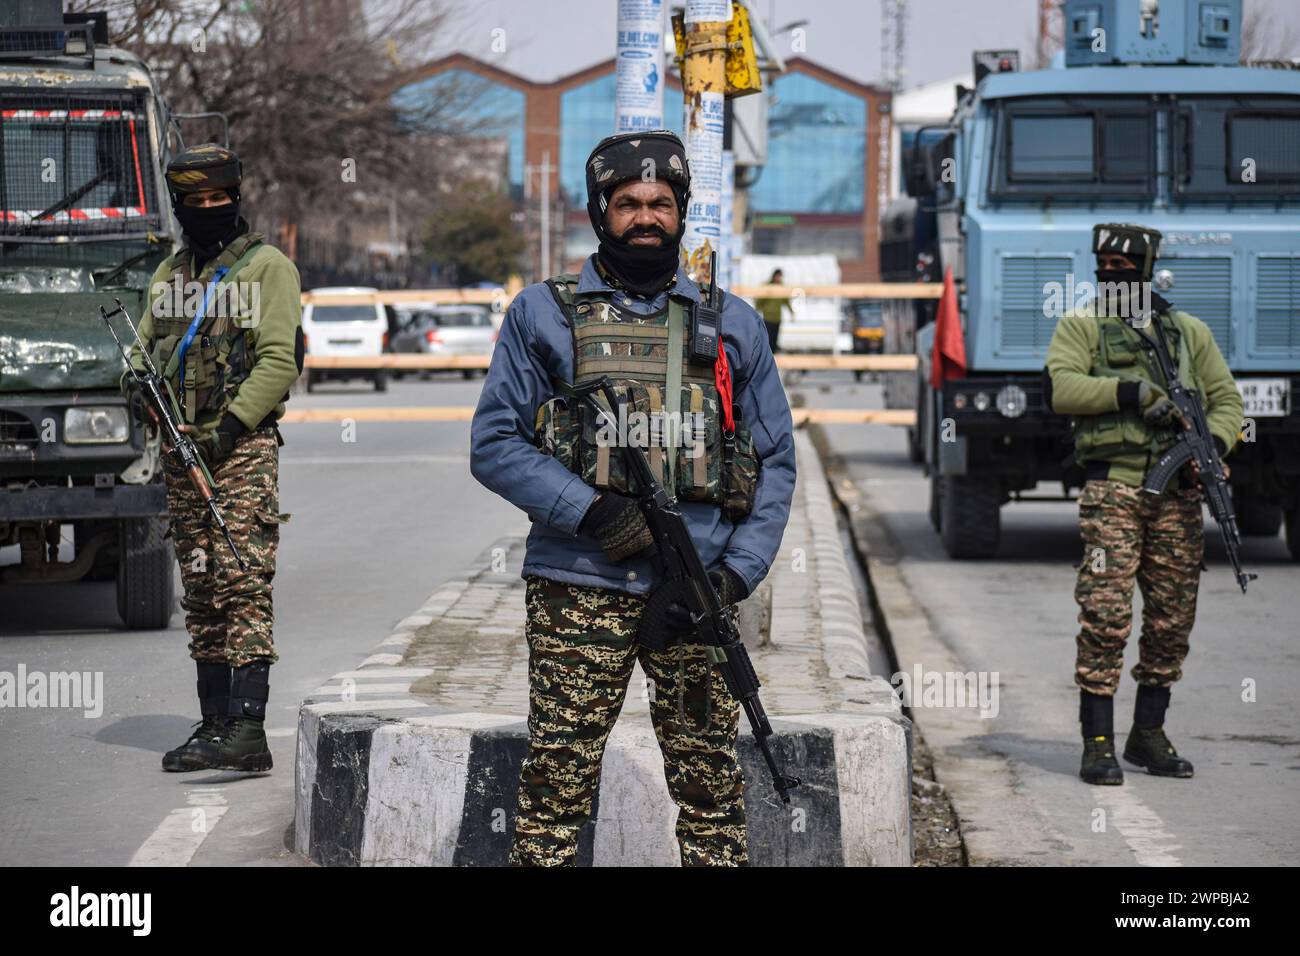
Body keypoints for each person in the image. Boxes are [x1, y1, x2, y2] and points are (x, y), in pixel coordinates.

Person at [470, 130, 796, 866]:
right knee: (557, 780)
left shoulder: (731, 322)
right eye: (627, 204)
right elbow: (495, 443)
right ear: (599, 212)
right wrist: (590, 511)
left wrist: (735, 575)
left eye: (660, 203)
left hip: (697, 589)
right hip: (577, 584)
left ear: (681, 212)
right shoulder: (543, 314)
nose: (645, 218)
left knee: (712, 788)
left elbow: (775, 461)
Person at [125, 144, 303, 773]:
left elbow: (280, 361)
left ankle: (249, 729)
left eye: (218, 199)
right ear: (179, 206)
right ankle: (213, 725)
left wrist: (226, 430)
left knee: (241, 578)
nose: (208, 210)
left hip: (239, 450)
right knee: (201, 589)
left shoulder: (266, 269)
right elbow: (143, 349)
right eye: (195, 202)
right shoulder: (169, 276)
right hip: (180, 452)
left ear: (236, 198)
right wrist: (137, 388)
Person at [1046, 223, 1243, 786]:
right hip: (1115, 488)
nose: (1114, 275)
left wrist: (1216, 446)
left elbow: (1227, 399)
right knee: (1106, 614)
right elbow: (1061, 388)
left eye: (1125, 268)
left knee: (1172, 620)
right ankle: (1099, 742)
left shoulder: (1187, 333)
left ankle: (1148, 734)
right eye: (1105, 266)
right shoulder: (1082, 325)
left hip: (1179, 495)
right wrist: (1131, 393)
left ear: (1148, 269)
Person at [753, 268, 784, 354]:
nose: (779, 278)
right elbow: (760, 299)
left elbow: (786, 300)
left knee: (775, 338)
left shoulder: (782, 287)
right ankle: (768, 354)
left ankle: (773, 354)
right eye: (778, 276)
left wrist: (791, 311)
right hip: (768, 317)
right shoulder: (768, 286)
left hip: (777, 317)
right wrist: (757, 309)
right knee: (768, 337)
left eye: (780, 276)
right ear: (774, 276)